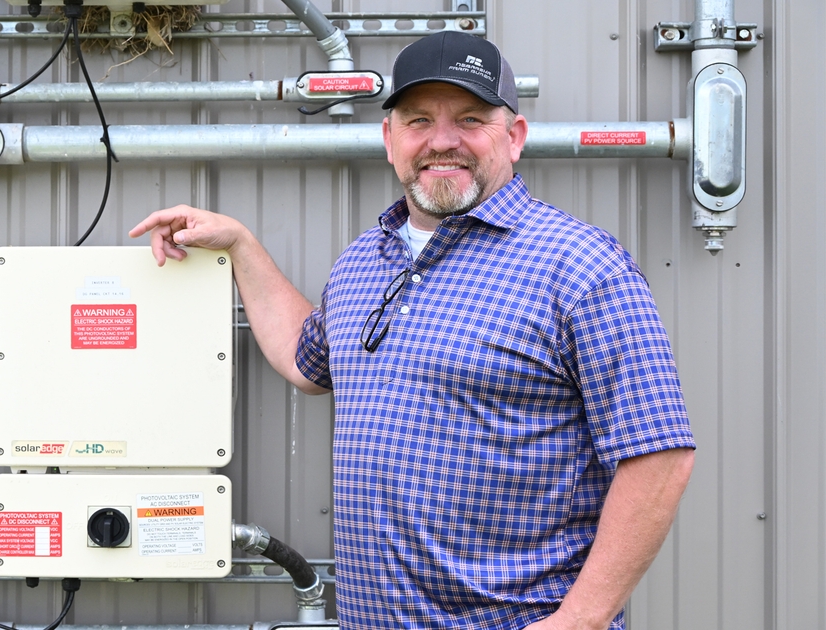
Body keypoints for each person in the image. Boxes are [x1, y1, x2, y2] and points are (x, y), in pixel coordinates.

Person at [130, 31, 695, 630]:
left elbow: (658, 457)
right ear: (390, 138)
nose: (442, 140)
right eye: (418, 119)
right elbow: (309, 361)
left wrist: (577, 621)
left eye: (471, 118)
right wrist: (240, 245)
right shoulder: (362, 262)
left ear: (515, 137)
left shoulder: (579, 265)